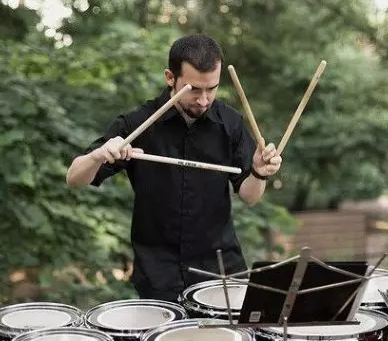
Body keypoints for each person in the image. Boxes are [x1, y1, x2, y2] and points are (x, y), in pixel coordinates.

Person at [66, 34, 282, 302]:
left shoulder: (230, 123)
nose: (203, 100)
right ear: (171, 77)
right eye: (193, 89)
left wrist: (259, 171)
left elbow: (250, 196)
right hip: (158, 276)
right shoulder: (138, 123)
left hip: (221, 271)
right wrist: (98, 155)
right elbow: (74, 178)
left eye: (211, 89)